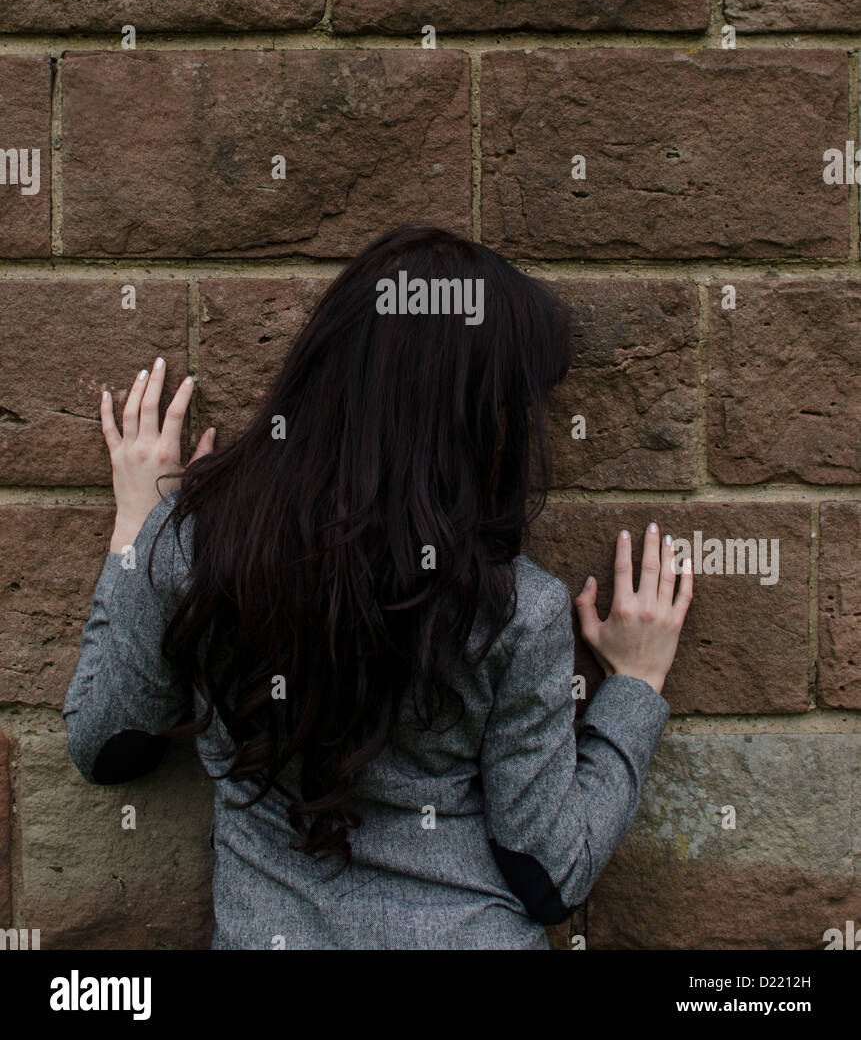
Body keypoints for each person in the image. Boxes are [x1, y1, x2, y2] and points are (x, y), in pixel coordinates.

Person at [64, 224, 693, 950]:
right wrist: (634, 691)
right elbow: (550, 872)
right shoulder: (515, 611)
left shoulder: (194, 548)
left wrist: (139, 532)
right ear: (468, 421)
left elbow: (106, 744)